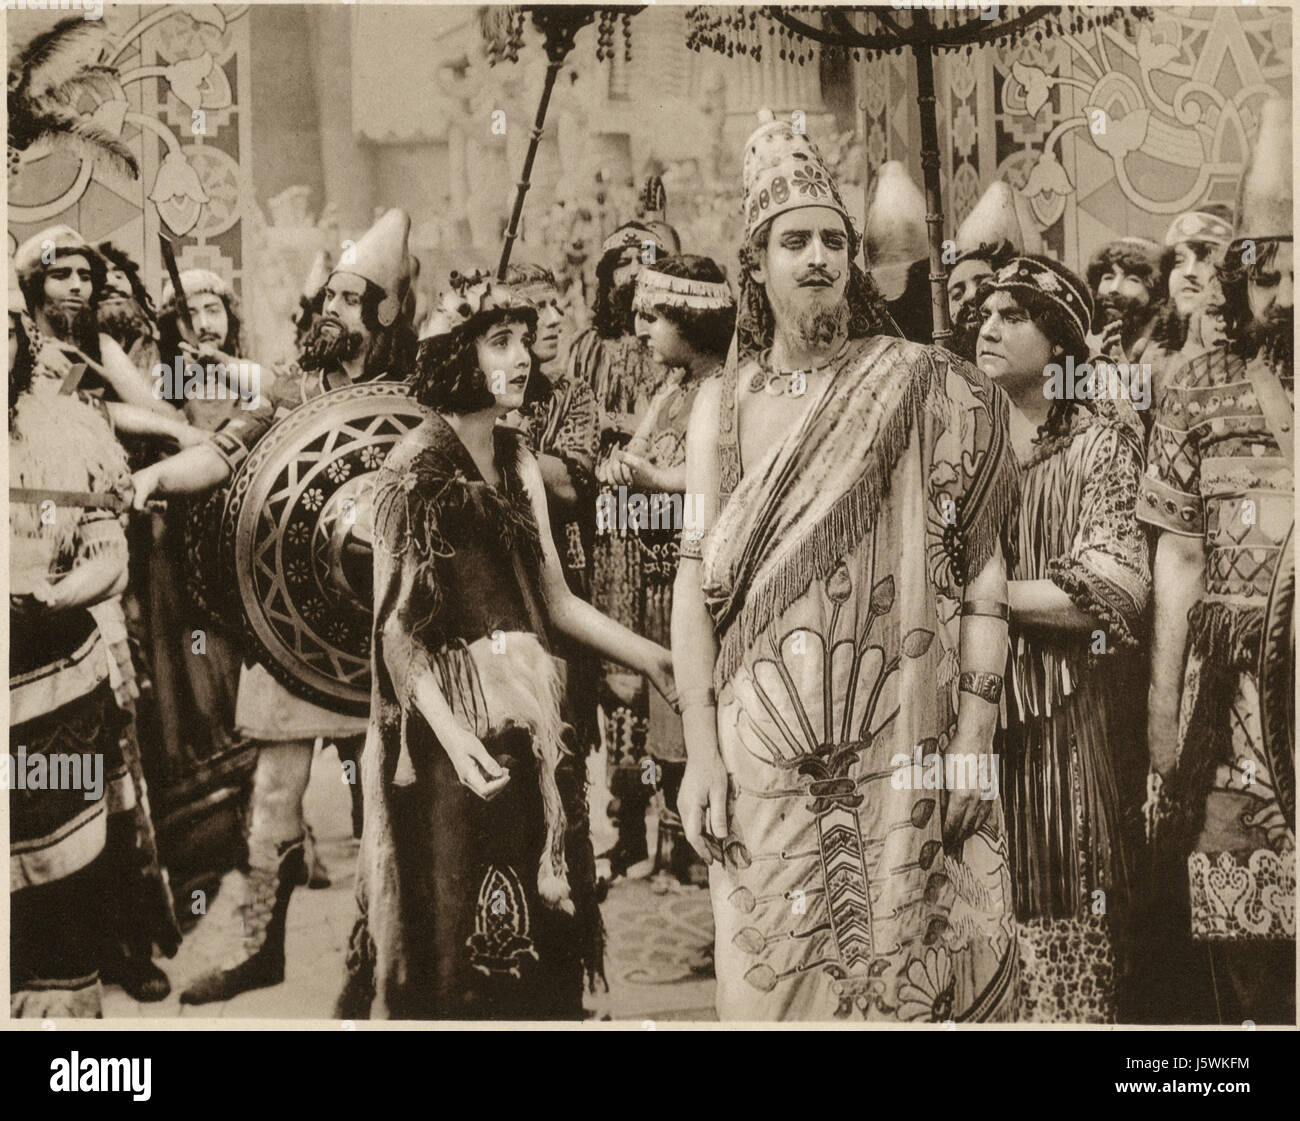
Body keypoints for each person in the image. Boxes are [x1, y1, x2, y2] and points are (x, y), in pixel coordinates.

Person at [672, 111, 1021, 1021]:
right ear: (756, 262)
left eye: (835, 239)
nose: (819, 256)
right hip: (762, 753)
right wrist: (701, 754)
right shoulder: (719, 406)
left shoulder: (914, 383)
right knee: (765, 987)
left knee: (900, 981)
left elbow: (982, 572)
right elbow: (692, 584)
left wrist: (976, 744)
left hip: (901, 746)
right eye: (794, 241)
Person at [337, 270, 678, 1019]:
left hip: (528, 726)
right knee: (458, 928)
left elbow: (554, 602)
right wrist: (457, 741)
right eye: (501, 341)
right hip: (438, 745)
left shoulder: (521, 458)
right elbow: (397, 631)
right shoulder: (411, 468)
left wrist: (650, 656)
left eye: (524, 340)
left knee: (539, 906)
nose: (522, 356)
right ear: (459, 356)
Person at [130, 208, 419, 1004]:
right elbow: (219, 458)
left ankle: (380, 960)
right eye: (326, 298)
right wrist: (154, 478)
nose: (329, 310)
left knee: (387, 811)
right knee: (272, 803)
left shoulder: (416, 399)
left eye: (348, 300)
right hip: (295, 636)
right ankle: (261, 946)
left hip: (387, 642)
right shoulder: (293, 396)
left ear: (382, 315)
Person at [1141, 100, 1295, 1025]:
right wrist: (1164, 725)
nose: (1285, 297)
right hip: (1232, 708)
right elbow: (1179, 564)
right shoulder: (1194, 386)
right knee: (1245, 943)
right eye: (1268, 278)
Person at [973, 255, 1150, 1021]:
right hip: (962, 713)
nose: (988, 325)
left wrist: (984, 600)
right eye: (986, 312)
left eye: (1014, 316)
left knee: (1063, 900)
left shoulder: (1099, 445)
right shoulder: (960, 440)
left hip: (1061, 723)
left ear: (1060, 342)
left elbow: (1114, 586)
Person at [9, 298, 180, 1016]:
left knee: (71, 854)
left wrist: (57, 593)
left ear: (19, 343)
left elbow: (108, 551)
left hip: (56, 676)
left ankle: (67, 1006)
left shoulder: (64, 429)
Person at [606, 254, 735, 883]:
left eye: (655, 316)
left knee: (701, 719)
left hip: (710, 583)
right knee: (668, 721)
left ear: (693, 320)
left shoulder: (726, 389)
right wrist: (623, 470)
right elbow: (636, 457)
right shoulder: (669, 391)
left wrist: (656, 478)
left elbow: (719, 480)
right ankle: (671, 849)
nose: (642, 330)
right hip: (660, 580)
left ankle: (704, 857)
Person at [568, 220, 674, 877]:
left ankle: (678, 831)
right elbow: (575, 430)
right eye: (624, 264)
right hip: (610, 526)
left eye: (649, 263)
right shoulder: (588, 349)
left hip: (666, 517)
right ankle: (627, 821)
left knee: (668, 666)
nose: (634, 273)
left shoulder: (676, 346)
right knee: (617, 672)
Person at [504, 262, 602, 759]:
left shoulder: (573, 395)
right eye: (538, 307)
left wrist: (497, 436)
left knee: (565, 744)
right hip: (493, 586)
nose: (555, 318)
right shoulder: (478, 395)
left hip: (559, 578)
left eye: (556, 304)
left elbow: (570, 483)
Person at [1139, 208, 1235, 417]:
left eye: (1205, 259)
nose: (1189, 272)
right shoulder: (1153, 357)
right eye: (1179, 262)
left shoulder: (1244, 356)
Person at [1084, 236, 1162, 363]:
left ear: (1156, 295)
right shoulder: (1085, 351)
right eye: (1108, 277)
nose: (1114, 288)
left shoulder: (1168, 358)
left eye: (1132, 279)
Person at [97, 241, 160, 379]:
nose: (110, 282)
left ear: (136, 292)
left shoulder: (165, 351)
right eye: (99, 277)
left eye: (119, 276)